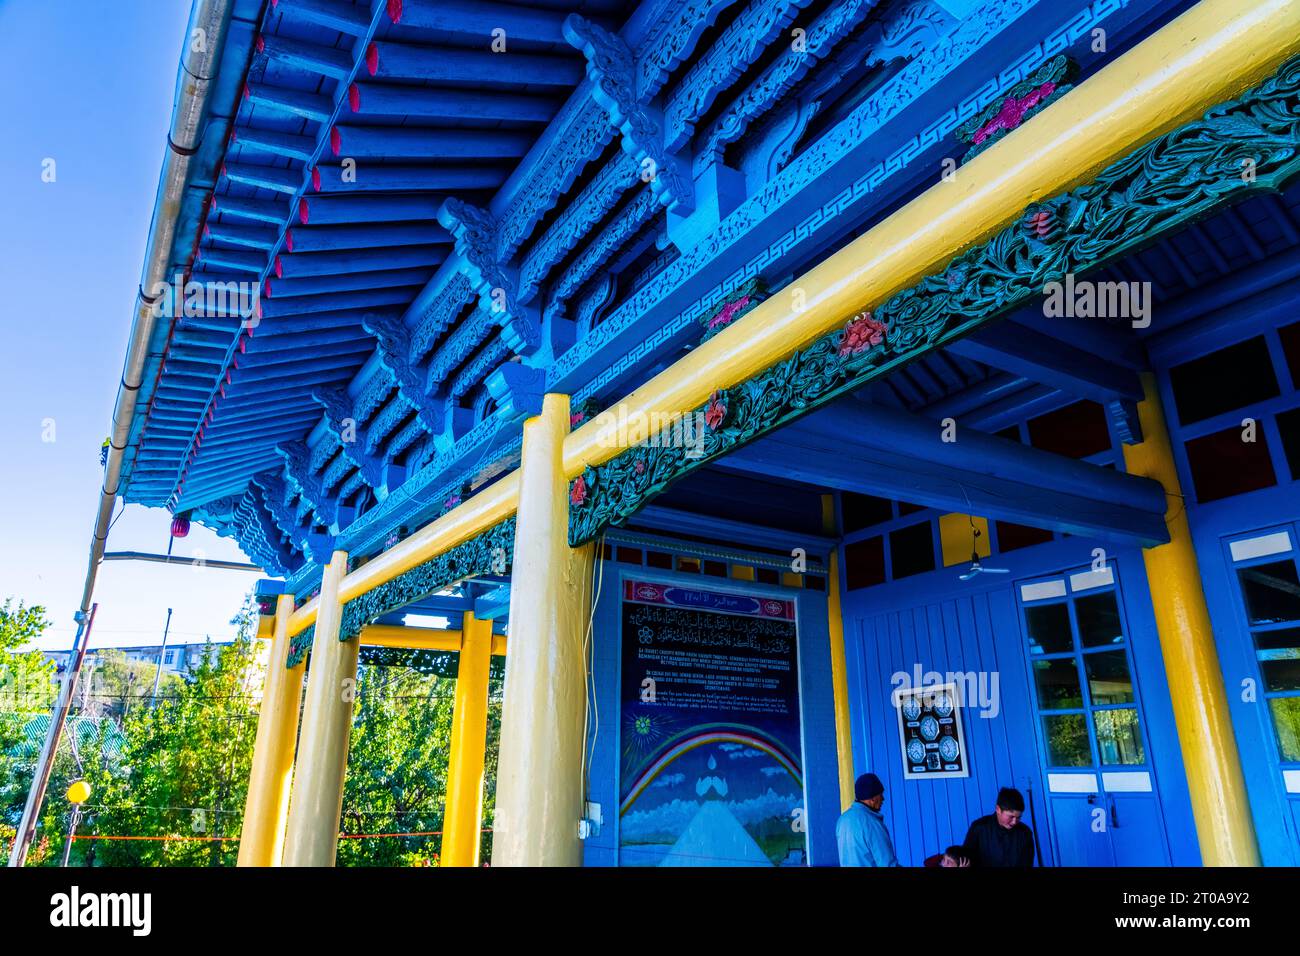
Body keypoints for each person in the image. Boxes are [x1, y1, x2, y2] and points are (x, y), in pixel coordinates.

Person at [836, 772, 899, 867]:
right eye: (880, 794)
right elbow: (887, 864)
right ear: (872, 798)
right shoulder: (872, 823)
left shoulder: (842, 820)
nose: (883, 799)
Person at [962, 787, 1035, 867]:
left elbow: (1027, 864)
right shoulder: (979, 827)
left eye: (1018, 817)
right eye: (1011, 817)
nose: (1014, 822)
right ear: (998, 809)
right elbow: (966, 859)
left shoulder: (1025, 833)